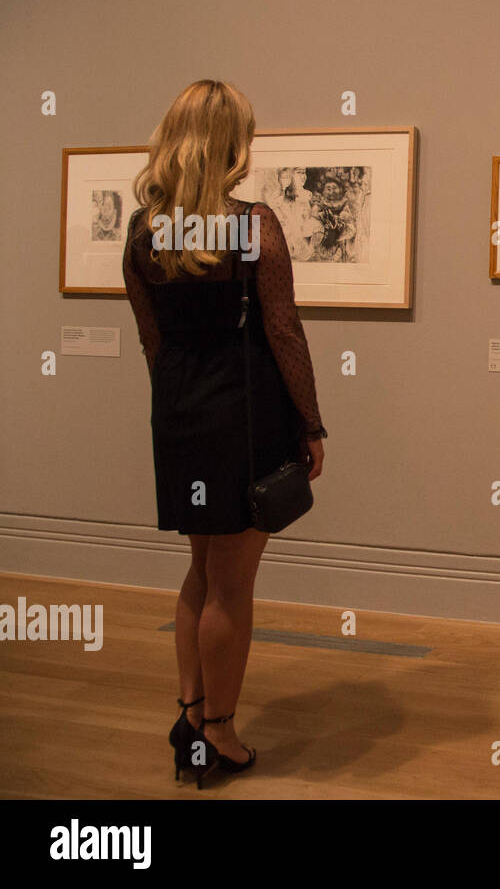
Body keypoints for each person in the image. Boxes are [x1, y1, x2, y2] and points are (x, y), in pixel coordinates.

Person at [121, 79, 327, 787]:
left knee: (201, 574)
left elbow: (152, 341)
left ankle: (191, 715)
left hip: (180, 416)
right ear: (230, 143)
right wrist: (311, 421)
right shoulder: (252, 225)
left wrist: (180, 411)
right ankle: (219, 736)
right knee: (232, 587)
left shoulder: (146, 232)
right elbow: (283, 330)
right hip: (246, 419)